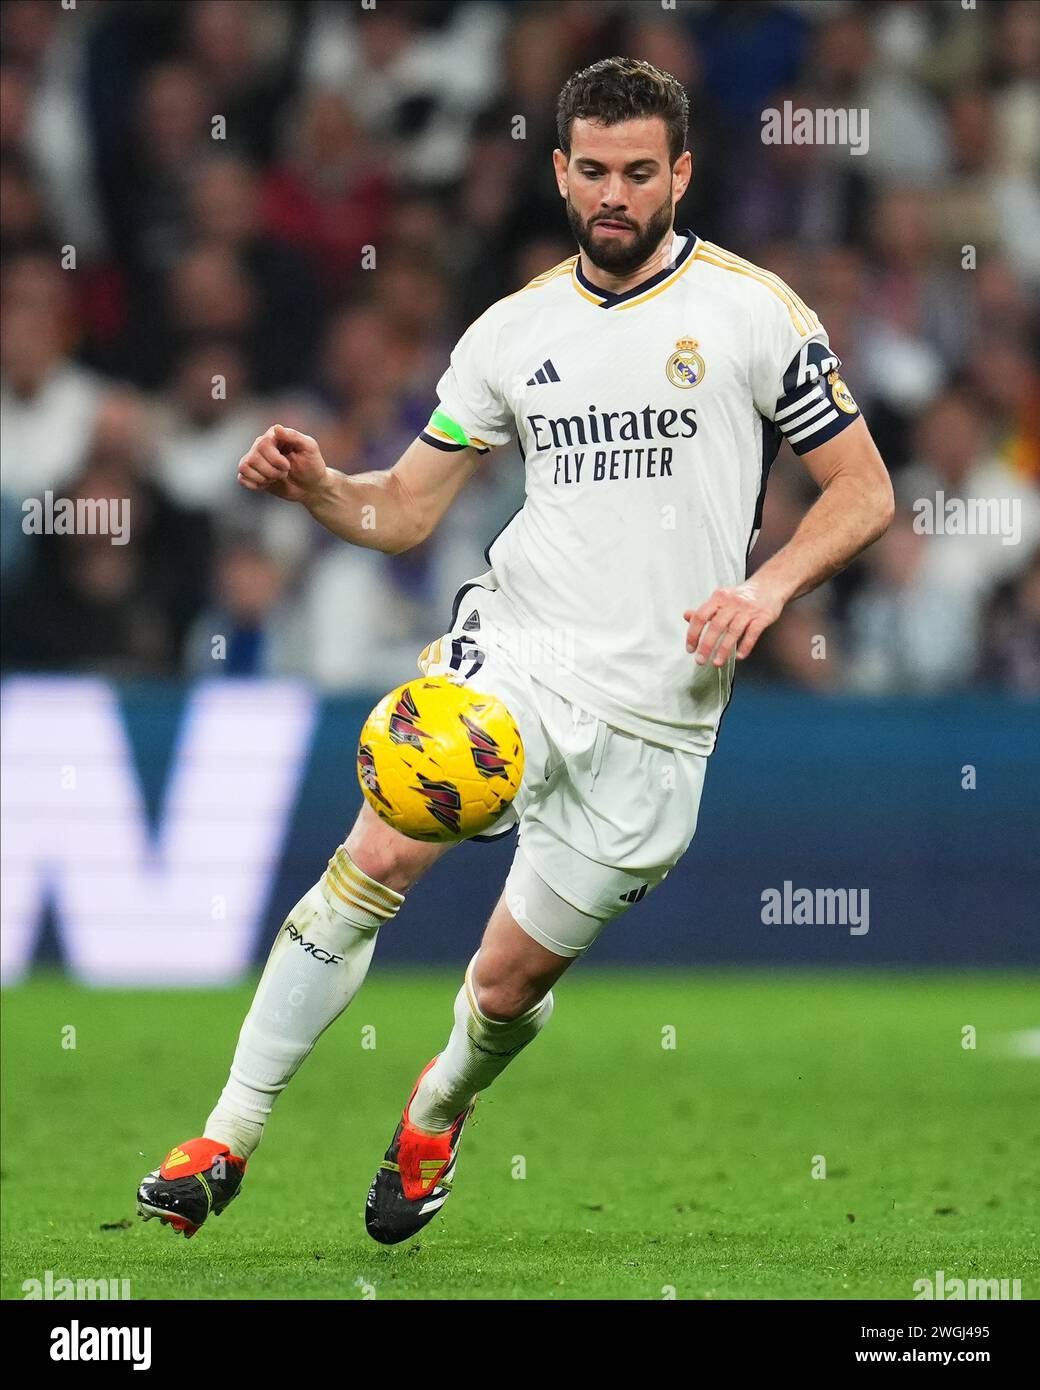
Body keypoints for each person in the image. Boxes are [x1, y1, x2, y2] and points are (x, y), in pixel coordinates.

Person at [137, 57, 893, 1245]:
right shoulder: (511, 332)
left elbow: (861, 490)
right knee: (380, 843)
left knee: (502, 988)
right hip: (519, 646)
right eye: (591, 171)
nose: (613, 195)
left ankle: (439, 1102)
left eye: (638, 173)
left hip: (658, 711)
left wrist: (768, 585)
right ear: (558, 170)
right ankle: (223, 1137)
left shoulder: (753, 312)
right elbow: (403, 511)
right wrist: (322, 485)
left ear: (679, 173)